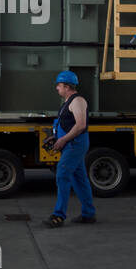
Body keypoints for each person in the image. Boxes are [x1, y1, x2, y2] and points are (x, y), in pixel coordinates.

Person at [44, 70, 95, 227]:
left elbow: (81, 125)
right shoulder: (68, 102)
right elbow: (69, 124)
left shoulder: (77, 101)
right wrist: (55, 137)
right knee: (79, 179)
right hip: (70, 144)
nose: (56, 89)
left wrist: (63, 140)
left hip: (74, 145)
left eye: (58, 85)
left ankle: (59, 215)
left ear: (66, 86)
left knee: (62, 175)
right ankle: (88, 214)